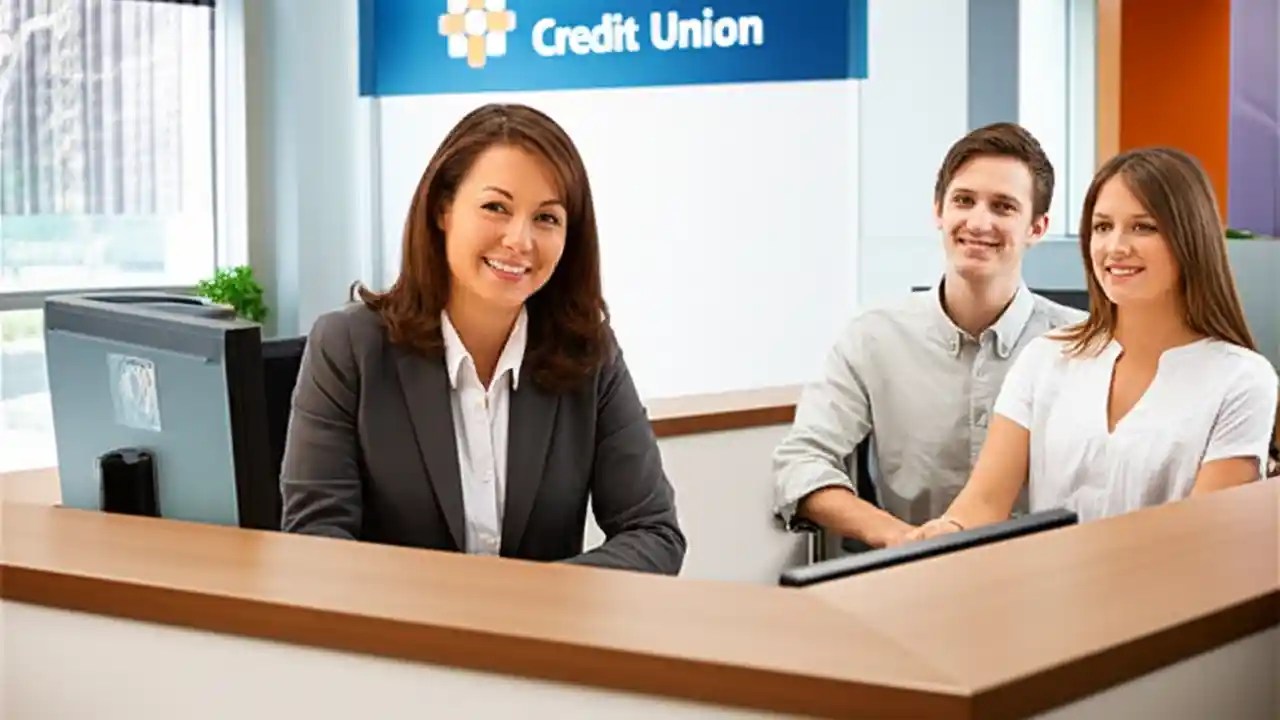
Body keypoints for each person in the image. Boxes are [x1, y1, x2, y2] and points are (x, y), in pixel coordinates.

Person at [279, 103, 686, 575]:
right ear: (442, 210)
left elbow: (654, 533)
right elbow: (315, 544)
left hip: (539, 641)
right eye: (496, 207)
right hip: (391, 641)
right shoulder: (348, 347)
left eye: (547, 218)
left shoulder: (588, 354)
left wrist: (524, 605)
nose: (520, 240)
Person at [908, 147, 1279, 542]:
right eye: (1102, 227)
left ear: (1191, 238)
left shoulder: (1241, 378)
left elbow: (1203, 539)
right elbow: (983, 503)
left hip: (1172, 597)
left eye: (1143, 227)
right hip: (1048, 594)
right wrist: (943, 532)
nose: (1116, 247)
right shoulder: (1046, 357)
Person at [772, 123, 1086, 549]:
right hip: (911, 579)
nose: (979, 221)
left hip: (1048, 581)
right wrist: (899, 538)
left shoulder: (1080, 345)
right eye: (963, 201)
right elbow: (801, 461)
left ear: (1037, 227)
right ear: (938, 210)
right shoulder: (874, 338)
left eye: (1003, 207)